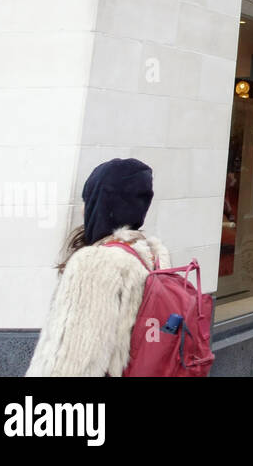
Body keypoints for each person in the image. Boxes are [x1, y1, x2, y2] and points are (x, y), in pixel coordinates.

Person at [27, 158, 166, 376]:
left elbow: (71, 364)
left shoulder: (96, 264)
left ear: (102, 203)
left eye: (87, 200)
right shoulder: (153, 255)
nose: (83, 209)